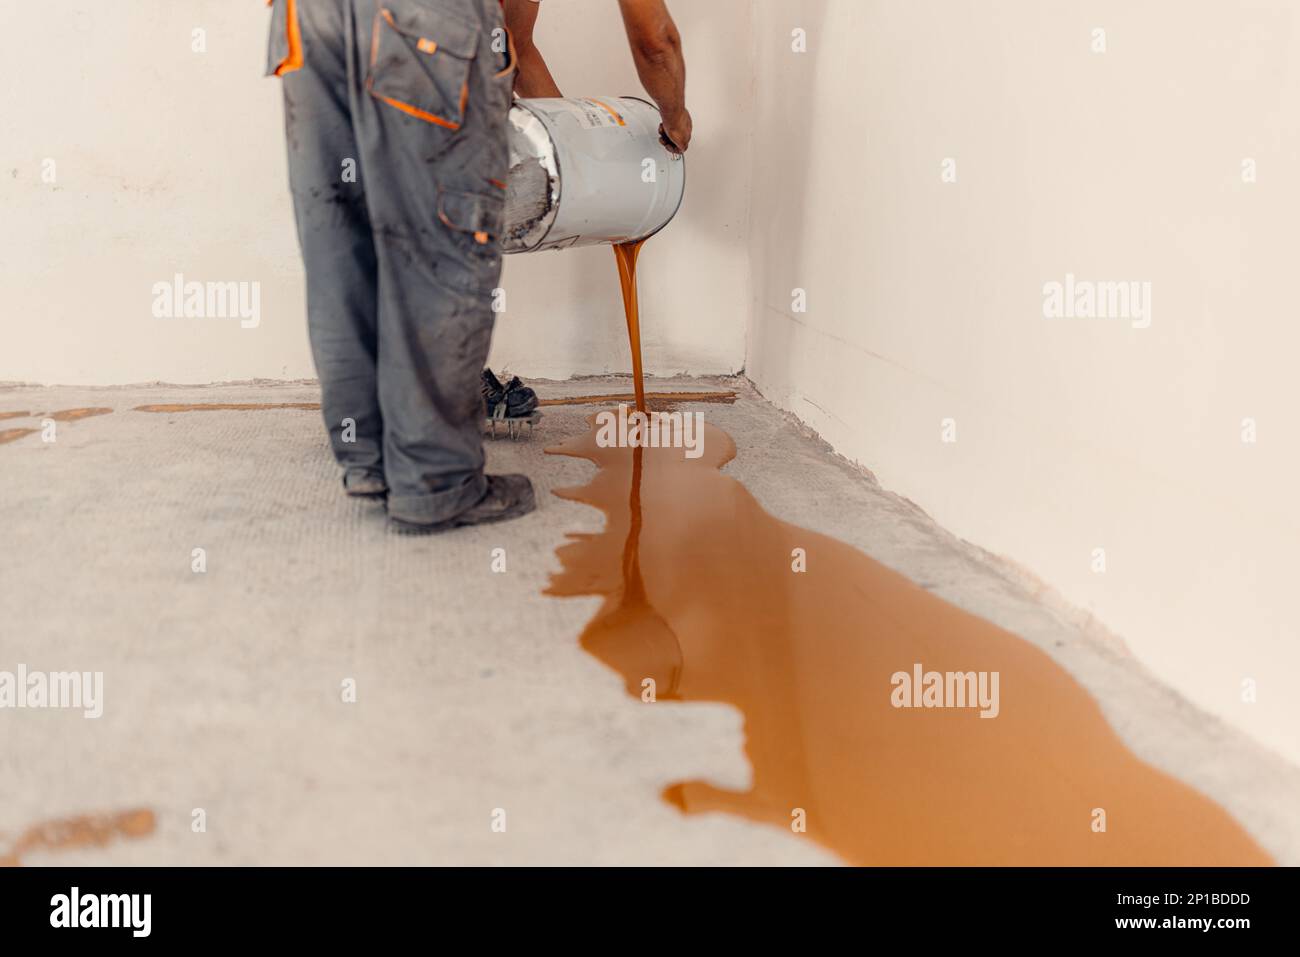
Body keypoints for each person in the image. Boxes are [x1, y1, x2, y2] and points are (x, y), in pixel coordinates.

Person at [266, 0, 690, 533]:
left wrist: (578, 154)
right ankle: (434, 481)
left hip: (307, 24)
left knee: (344, 246)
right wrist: (675, 115)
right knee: (443, 249)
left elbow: (514, 43)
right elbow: (655, 38)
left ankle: (369, 461)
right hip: (422, 25)